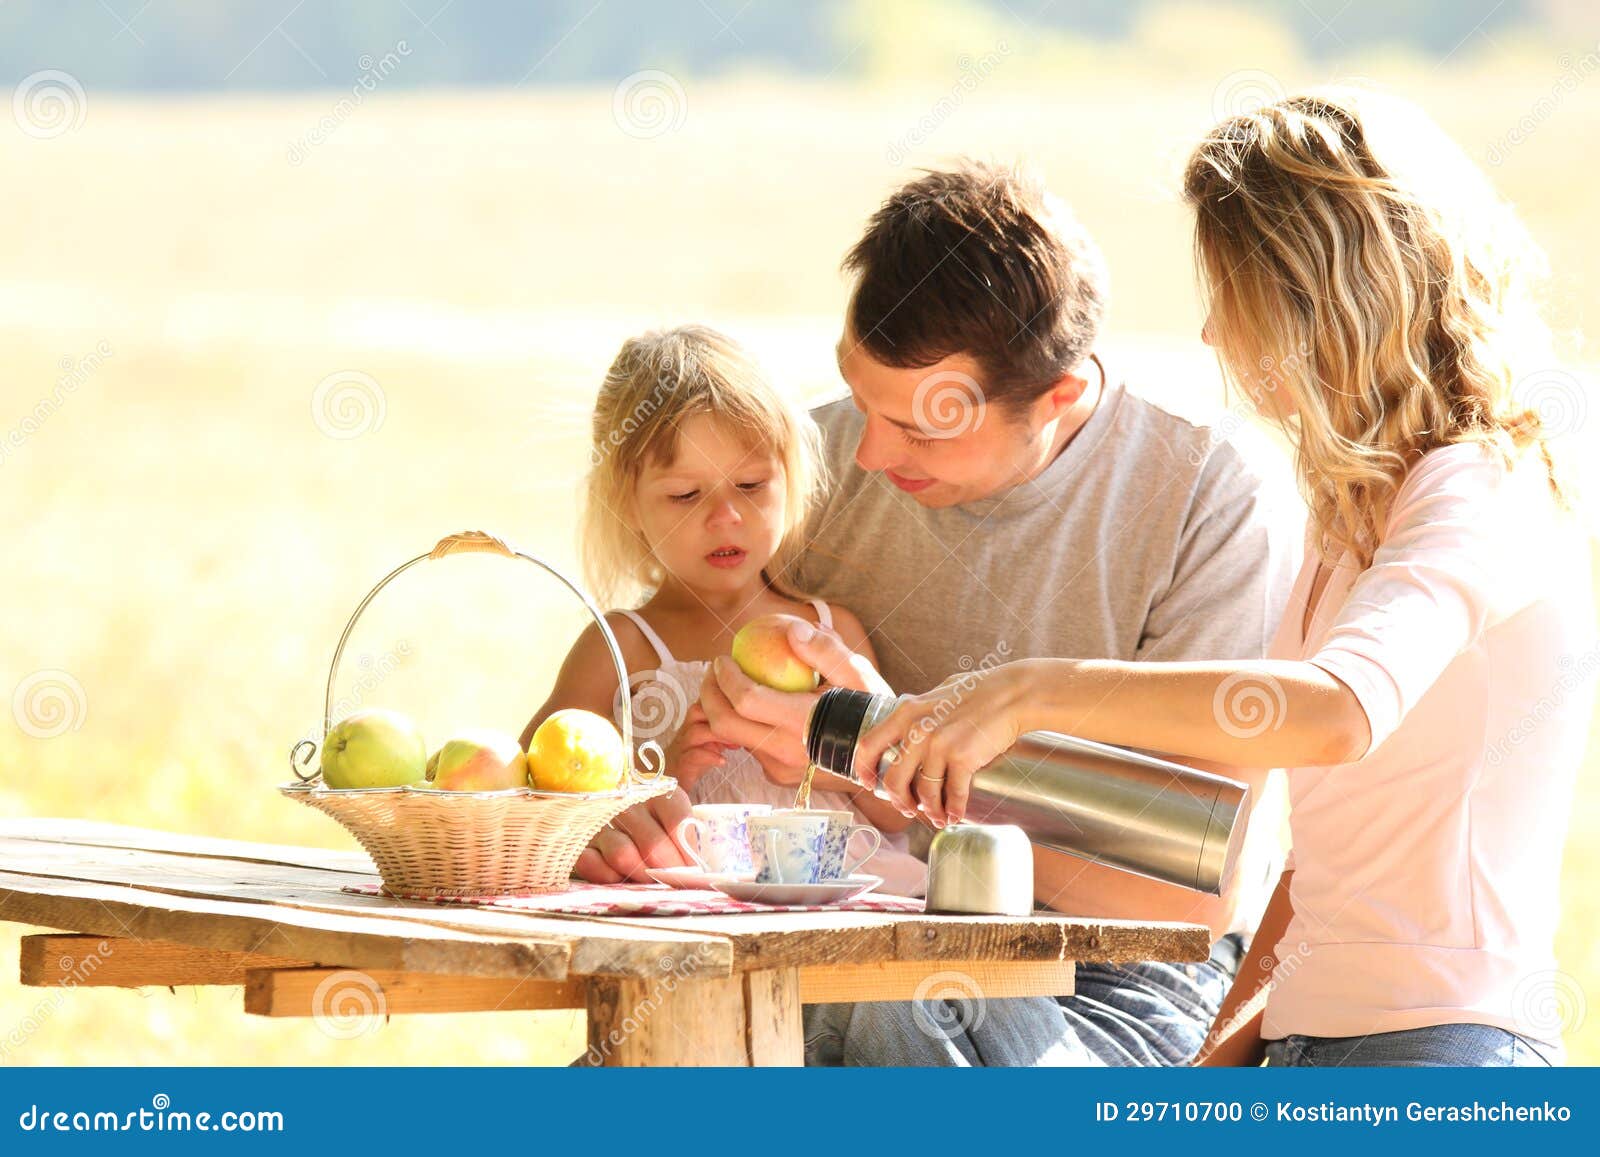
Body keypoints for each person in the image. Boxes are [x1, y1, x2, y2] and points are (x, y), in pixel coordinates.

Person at [857, 92, 1591, 1066]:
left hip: (1443, 1054)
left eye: (1230, 294)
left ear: (1313, 296)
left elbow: (1336, 710)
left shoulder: (1476, 489)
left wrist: (1033, 690)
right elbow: (1327, 873)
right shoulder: (1354, 515)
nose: (1211, 335)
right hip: (1304, 1043)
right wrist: (1218, 1061)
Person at [654, 161, 1305, 1065]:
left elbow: (1183, 889)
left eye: (924, 428)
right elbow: (659, 650)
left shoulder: (1206, 497)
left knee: (908, 1018)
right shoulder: (817, 456)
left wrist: (868, 746)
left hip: (1110, 974)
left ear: (1060, 397)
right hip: (833, 925)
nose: (870, 454)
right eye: (860, 397)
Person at [519, 324, 921, 893]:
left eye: (753, 485)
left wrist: (831, 762)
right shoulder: (621, 647)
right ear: (627, 503)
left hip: (847, 902)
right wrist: (658, 773)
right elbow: (526, 792)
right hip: (696, 915)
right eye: (686, 495)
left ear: (791, 481)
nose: (725, 517)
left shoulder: (828, 637)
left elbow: (898, 811)